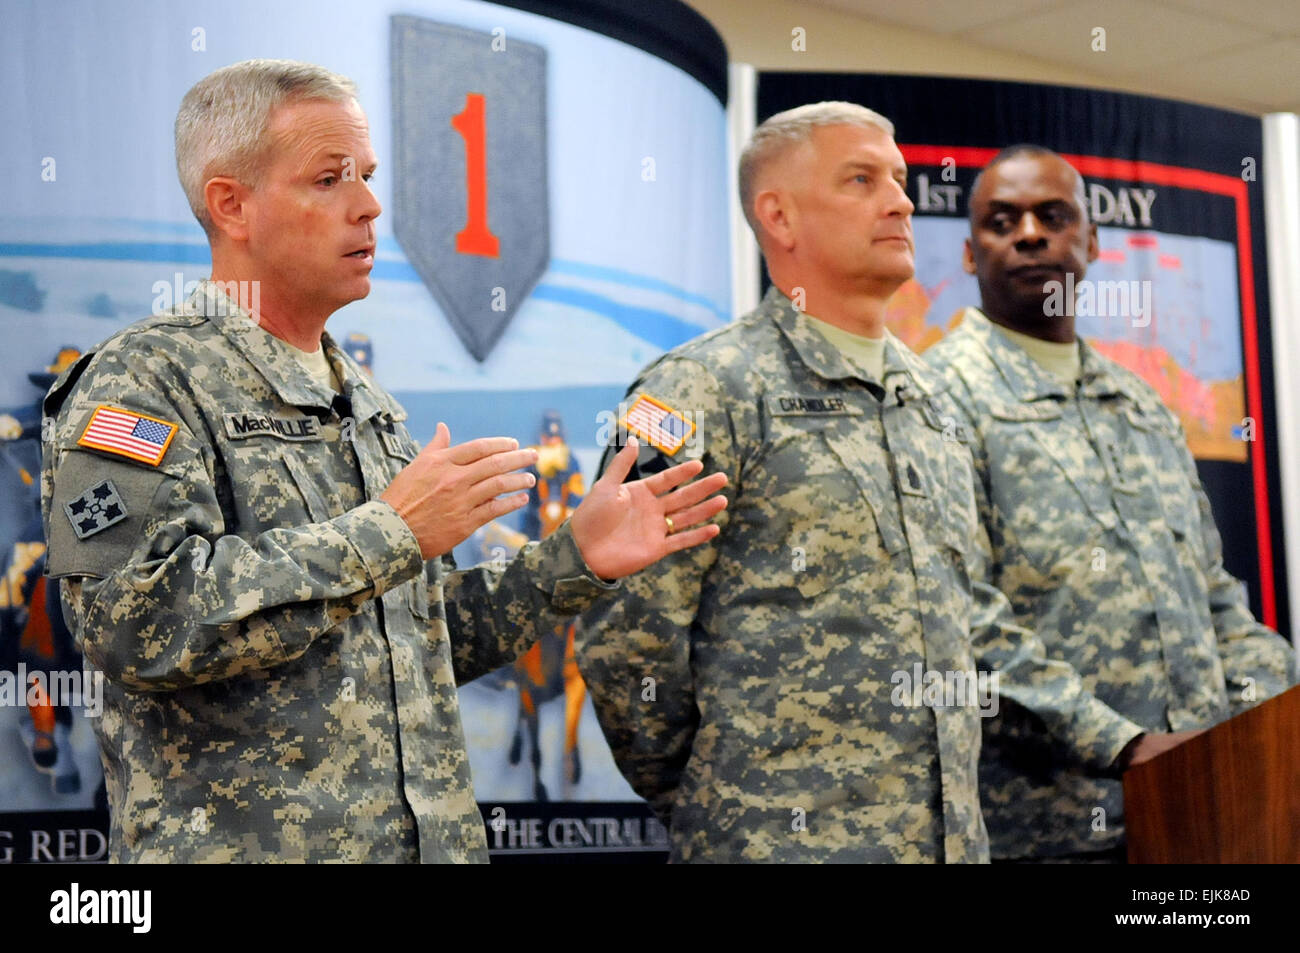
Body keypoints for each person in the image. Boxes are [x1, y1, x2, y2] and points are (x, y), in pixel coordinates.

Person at [39, 59, 728, 863]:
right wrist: (389, 530)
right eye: (329, 179)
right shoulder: (138, 384)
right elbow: (137, 625)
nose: (369, 206)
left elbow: (411, 642)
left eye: (366, 175)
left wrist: (570, 561)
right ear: (232, 204)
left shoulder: (363, 397)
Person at [576, 104, 1140, 863]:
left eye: (901, 181)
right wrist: (717, 797)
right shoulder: (697, 391)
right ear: (780, 214)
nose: (902, 201)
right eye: (862, 179)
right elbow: (627, 637)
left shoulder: (932, 399)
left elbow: (962, 614)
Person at [925, 145, 1296, 862]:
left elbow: (1215, 596)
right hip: (1051, 826)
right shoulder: (938, 399)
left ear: (1091, 243)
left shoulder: (1142, 404)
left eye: (1053, 216)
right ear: (970, 255)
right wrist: (1124, 744)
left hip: (1209, 808)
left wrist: (1264, 719)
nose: (1030, 234)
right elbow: (961, 621)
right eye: (1002, 222)